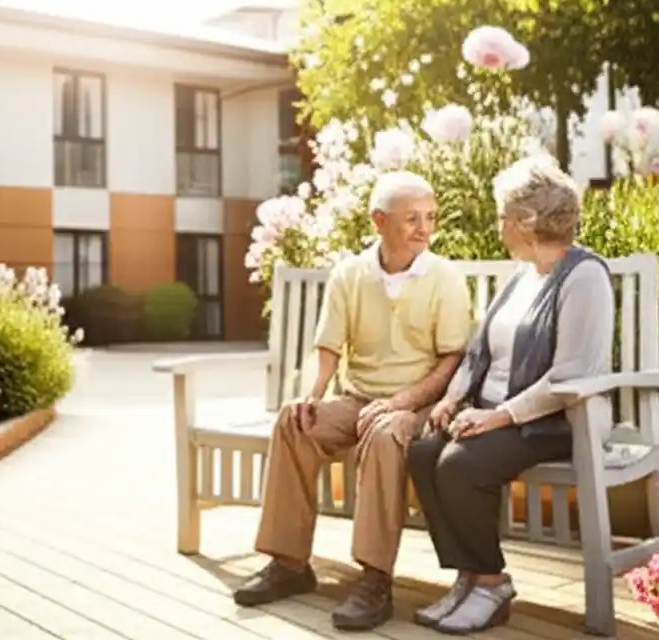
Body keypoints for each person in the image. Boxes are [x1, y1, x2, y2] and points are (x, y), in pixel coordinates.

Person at [233, 171, 474, 631]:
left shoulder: (444, 277)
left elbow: (452, 361)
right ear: (378, 220)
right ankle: (288, 565)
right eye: (412, 219)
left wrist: (404, 401)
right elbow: (328, 349)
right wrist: (311, 394)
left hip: (421, 403)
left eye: (430, 217)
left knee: (384, 435)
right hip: (358, 397)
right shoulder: (349, 275)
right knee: (293, 421)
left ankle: (375, 579)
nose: (425, 228)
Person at [406, 155, 615, 635]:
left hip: (559, 421)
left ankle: (492, 584)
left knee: (460, 465)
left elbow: (569, 377)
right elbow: (480, 354)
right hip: (497, 416)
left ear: (525, 222)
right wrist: (452, 401)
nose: (498, 225)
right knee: (422, 451)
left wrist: (497, 417)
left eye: (502, 215)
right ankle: (469, 576)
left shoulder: (584, 277)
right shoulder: (520, 275)